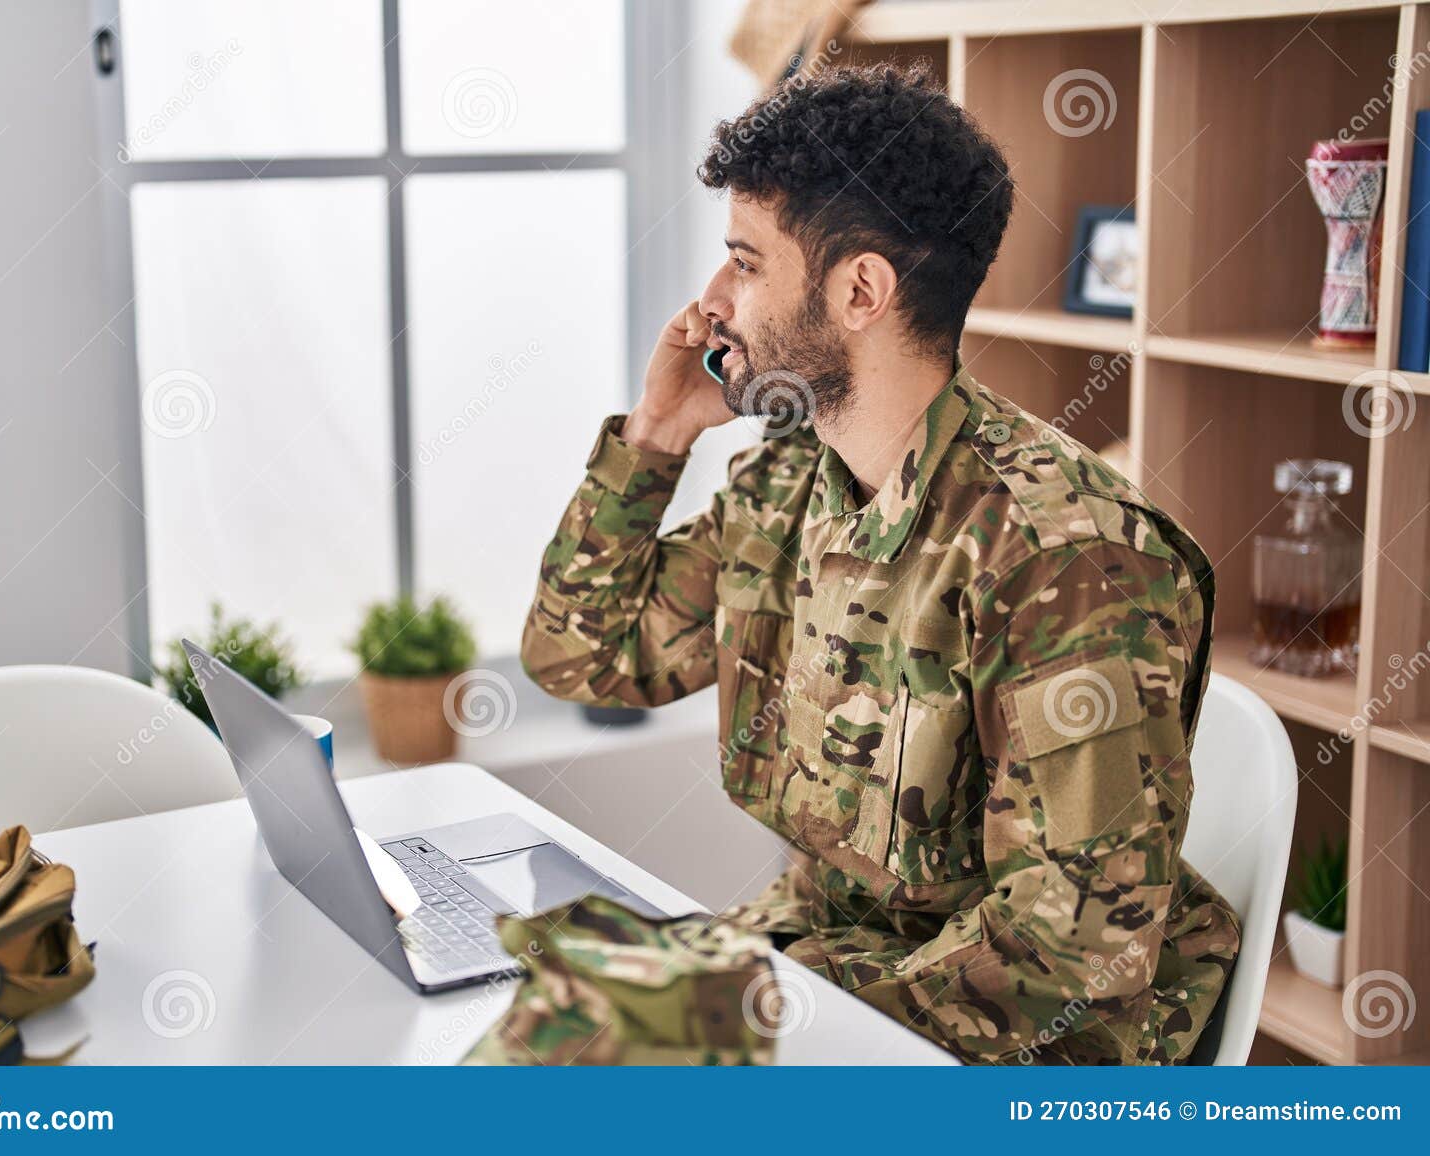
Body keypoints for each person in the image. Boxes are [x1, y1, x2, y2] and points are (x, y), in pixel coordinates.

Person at [519, 62, 1239, 1065]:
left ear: (859, 289)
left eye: (746, 262)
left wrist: (743, 1011)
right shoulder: (786, 488)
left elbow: (1062, 966)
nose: (713, 300)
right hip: (829, 968)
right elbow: (581, 660)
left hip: (1008, 1045)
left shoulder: (1067, 557)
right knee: (527, 1026)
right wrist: (652, 440)